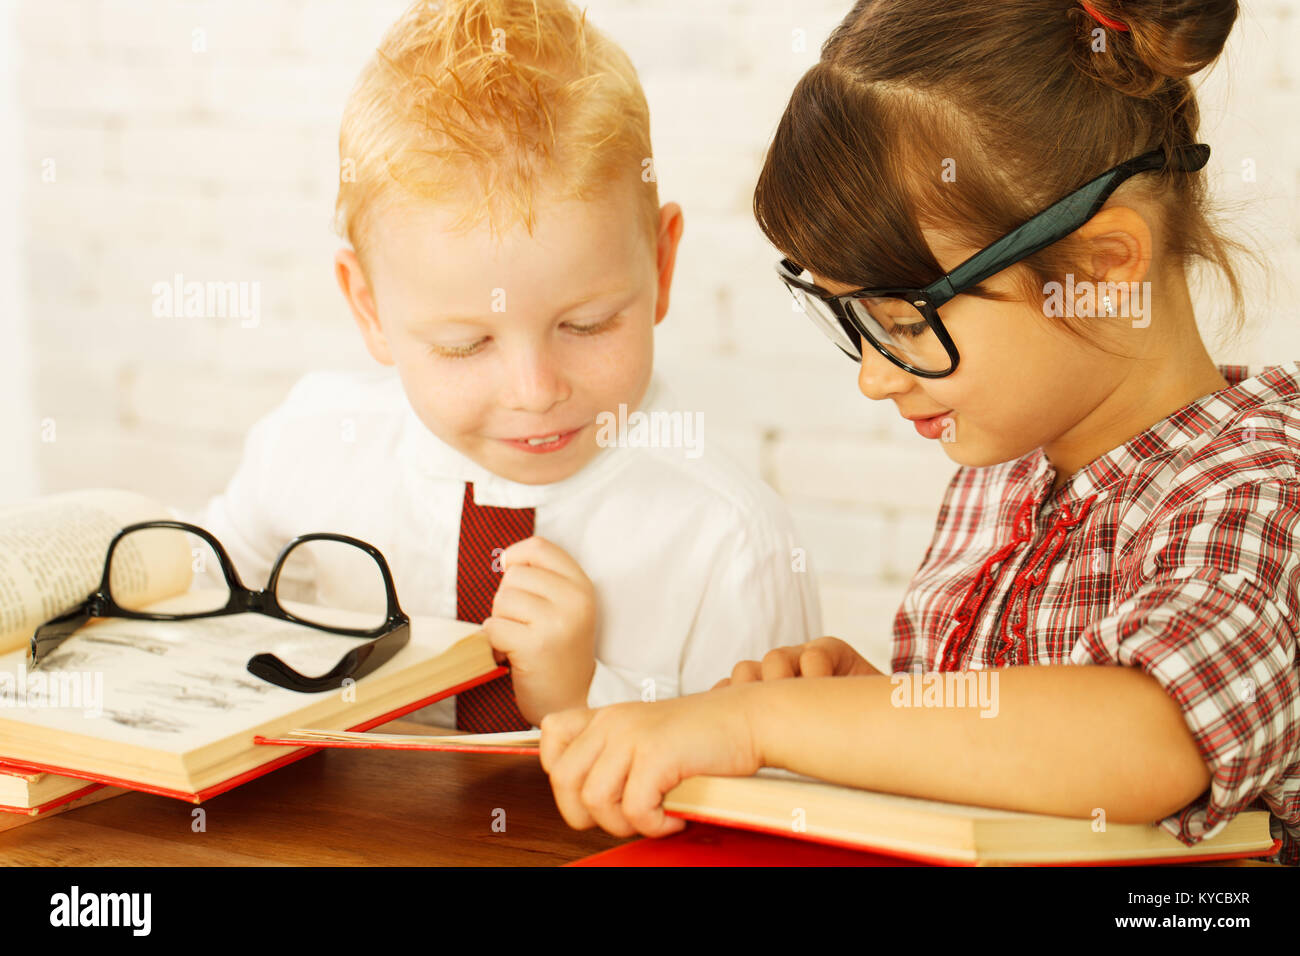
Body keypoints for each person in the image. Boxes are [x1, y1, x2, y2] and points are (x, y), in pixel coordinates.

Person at [538, 0, 1298, 866]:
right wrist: (875, 714)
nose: (873, 376)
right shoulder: (1001, 474)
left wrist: (767, 722)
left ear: (1100, 268)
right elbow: (1025, 766)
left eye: (903, 322)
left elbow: (1151, 740)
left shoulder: (1256, 485)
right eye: (852, 322)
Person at [174, 0, 820, 730]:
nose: (535, 391)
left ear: (662, 266)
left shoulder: (729, 543)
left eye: (587, 324)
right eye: (464, 344)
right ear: (367, 307)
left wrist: (583, 702)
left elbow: (772, 787)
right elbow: (196, 596)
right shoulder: (310, 445)